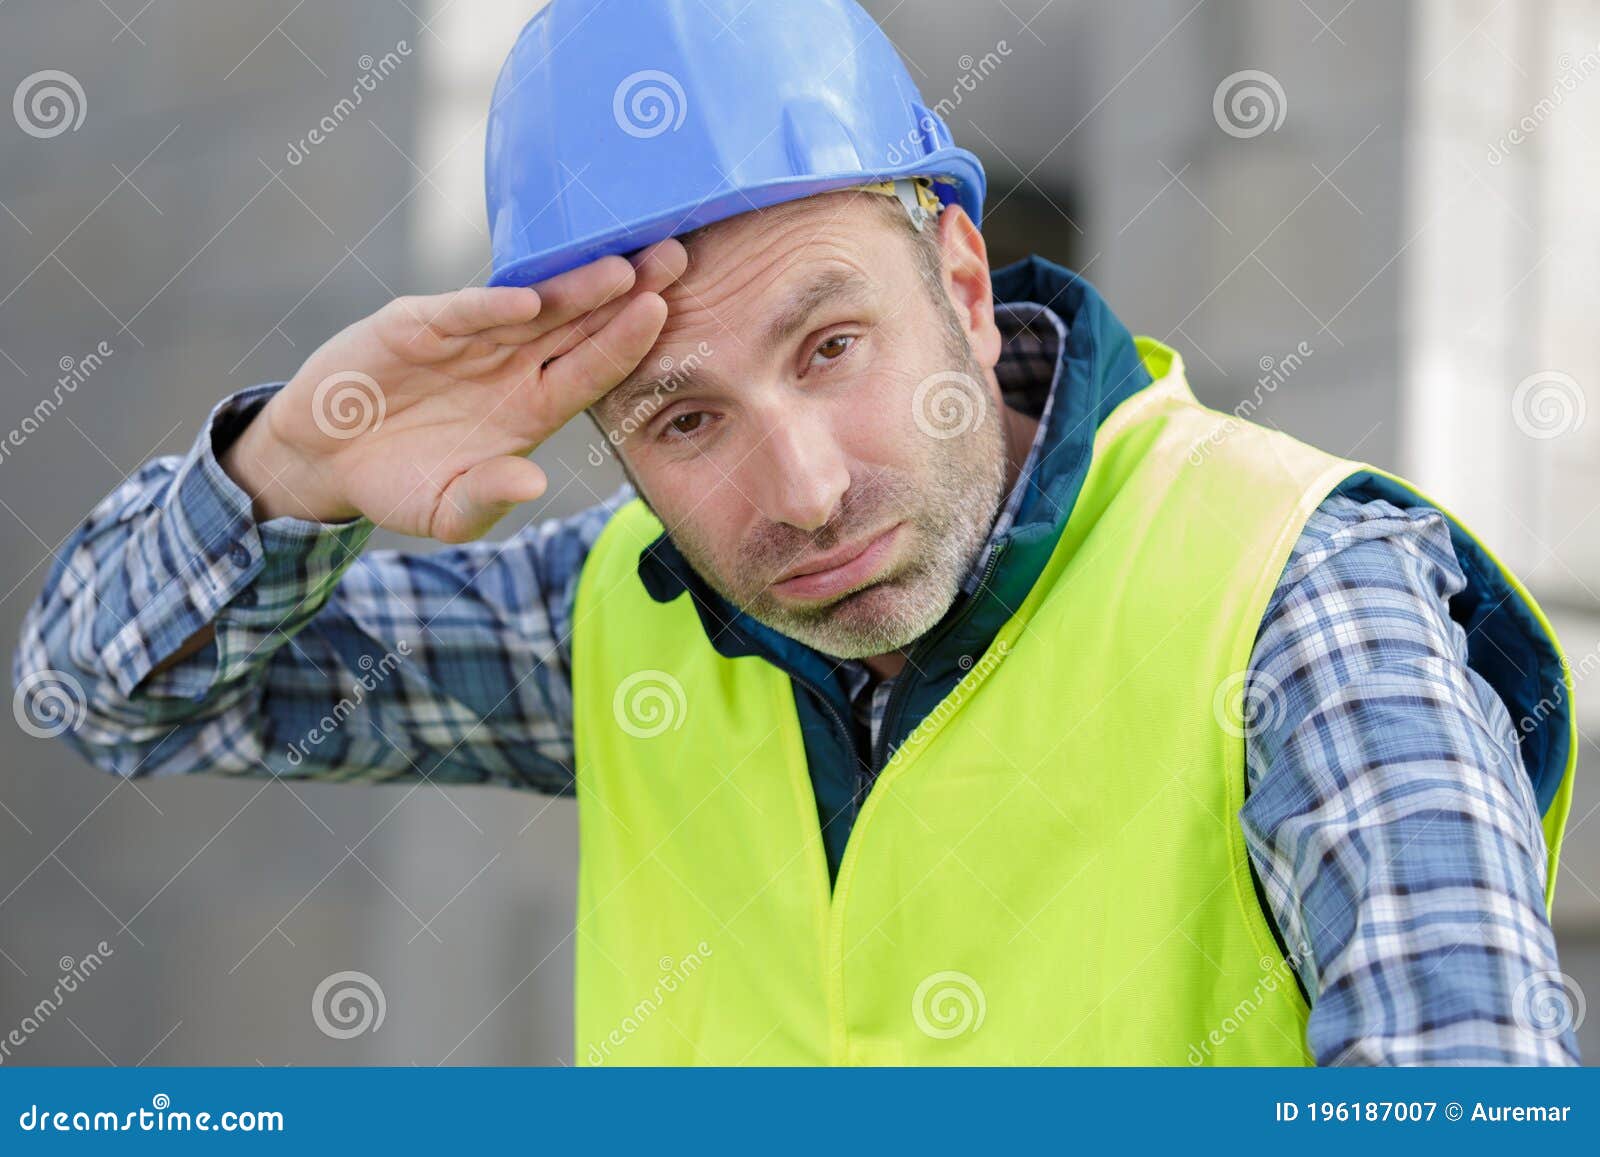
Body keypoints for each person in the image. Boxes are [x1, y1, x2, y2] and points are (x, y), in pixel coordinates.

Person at [12, 0, 1580, 1066]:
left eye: (833, 347)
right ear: (608, 438)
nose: (806, 491)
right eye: (686, 421)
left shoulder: (1303, 600)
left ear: (961, 283)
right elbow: (110, 689)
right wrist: (296, 460)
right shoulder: (622, 612)